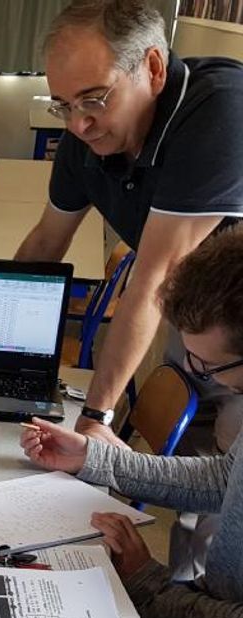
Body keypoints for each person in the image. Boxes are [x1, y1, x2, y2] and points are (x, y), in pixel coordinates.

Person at [13, 0, 243, 578]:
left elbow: (154, 278)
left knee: (229, 494)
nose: (79, 123)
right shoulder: (85, 129)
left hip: (234, 327)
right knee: (205, 472)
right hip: (201, 318)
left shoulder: (219, 113)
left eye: (95, 98)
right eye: (63, 105)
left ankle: (206, 608)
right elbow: (45, 243)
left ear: (154, 70)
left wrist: (97, 414)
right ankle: (191, 597)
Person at [20, 226, 243, 618]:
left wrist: (148, 585)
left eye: (210, 368)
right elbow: (224, 480)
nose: (202, 378)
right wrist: (94, 457)